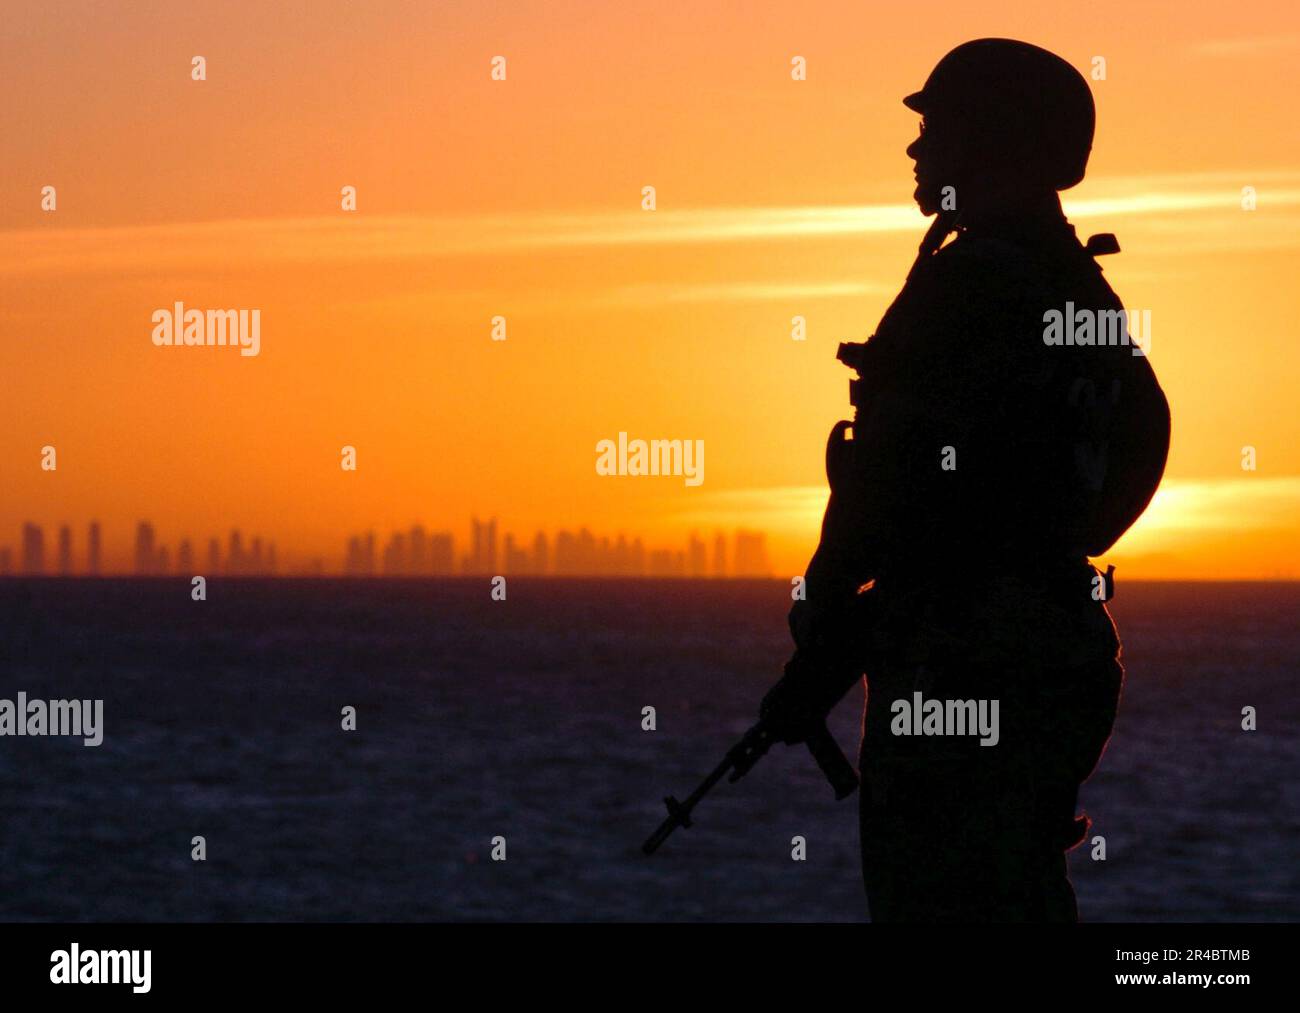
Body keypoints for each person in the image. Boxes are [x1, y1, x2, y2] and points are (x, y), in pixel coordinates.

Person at [761, 38, 1171, 922]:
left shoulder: (970, 283)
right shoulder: (1078, 288)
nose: (917, 150)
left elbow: (885, 476)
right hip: (1054, 649)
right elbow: (1142, 441)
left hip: (962, 661)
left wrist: (833, 609)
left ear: (993, 140)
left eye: (936, 129)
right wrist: (1043, 551)